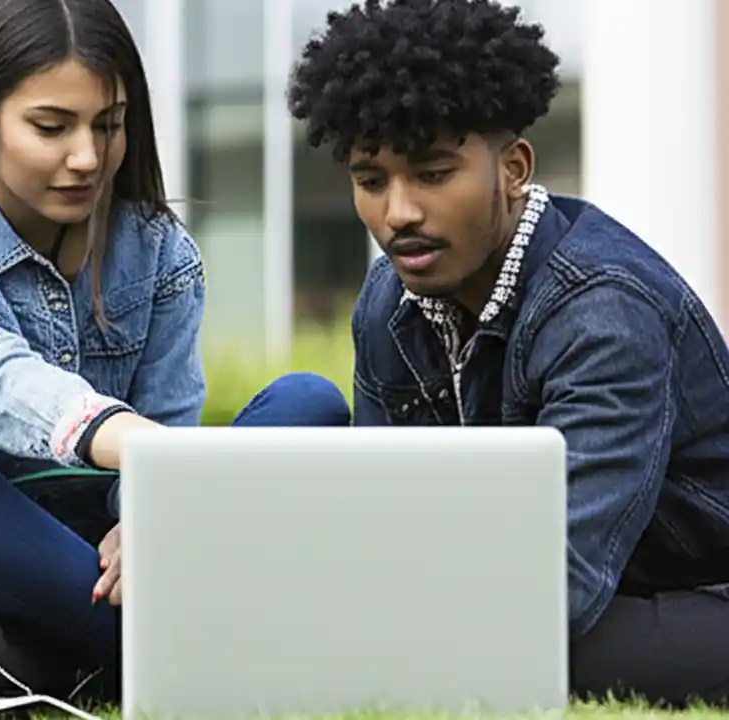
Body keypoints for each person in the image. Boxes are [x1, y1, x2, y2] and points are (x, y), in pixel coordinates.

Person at [0, 0, 351, 711]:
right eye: (51, 127)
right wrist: (139, 448)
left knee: (307, 403)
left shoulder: (161, 255)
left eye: (109, 126)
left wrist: (152, 519)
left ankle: (60, 656)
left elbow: (171, 420)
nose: (87, 157)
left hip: (98, 570)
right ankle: (163, 651)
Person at [287, 0, 729, 708]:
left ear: (514, 168)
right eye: (371, 180)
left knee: (540, 648)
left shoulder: (605, 312)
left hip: (690, 584)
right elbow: (383, 517)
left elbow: (562, 577)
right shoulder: (388, 303)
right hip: (562, 583)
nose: (398, 212)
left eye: (433, 174)